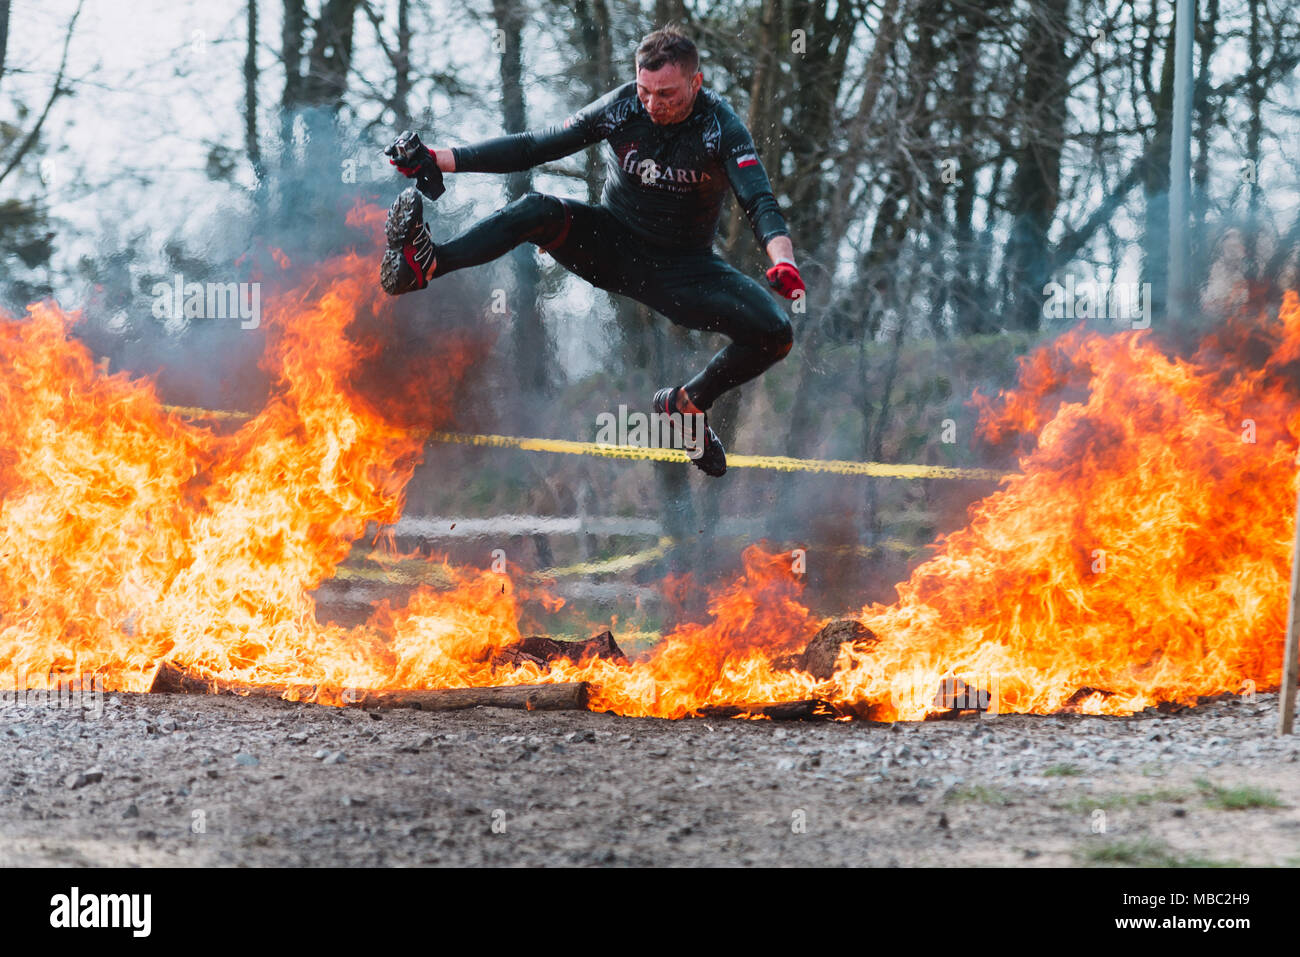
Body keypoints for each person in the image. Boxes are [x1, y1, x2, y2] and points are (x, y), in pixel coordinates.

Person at [382, 24, 805, 477]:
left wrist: (783, 260)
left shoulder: (720, 127)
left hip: (684, 273)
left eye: (666, 94)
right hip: (609, 243)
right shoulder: (623, 107)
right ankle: (429, 263)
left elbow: (758, 200)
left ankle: (687, 404)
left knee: (776, 333)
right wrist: (441, 157)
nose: (652, 104)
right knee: (535, 210)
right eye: (645, 90)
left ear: (695, 83)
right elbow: (534, 147)